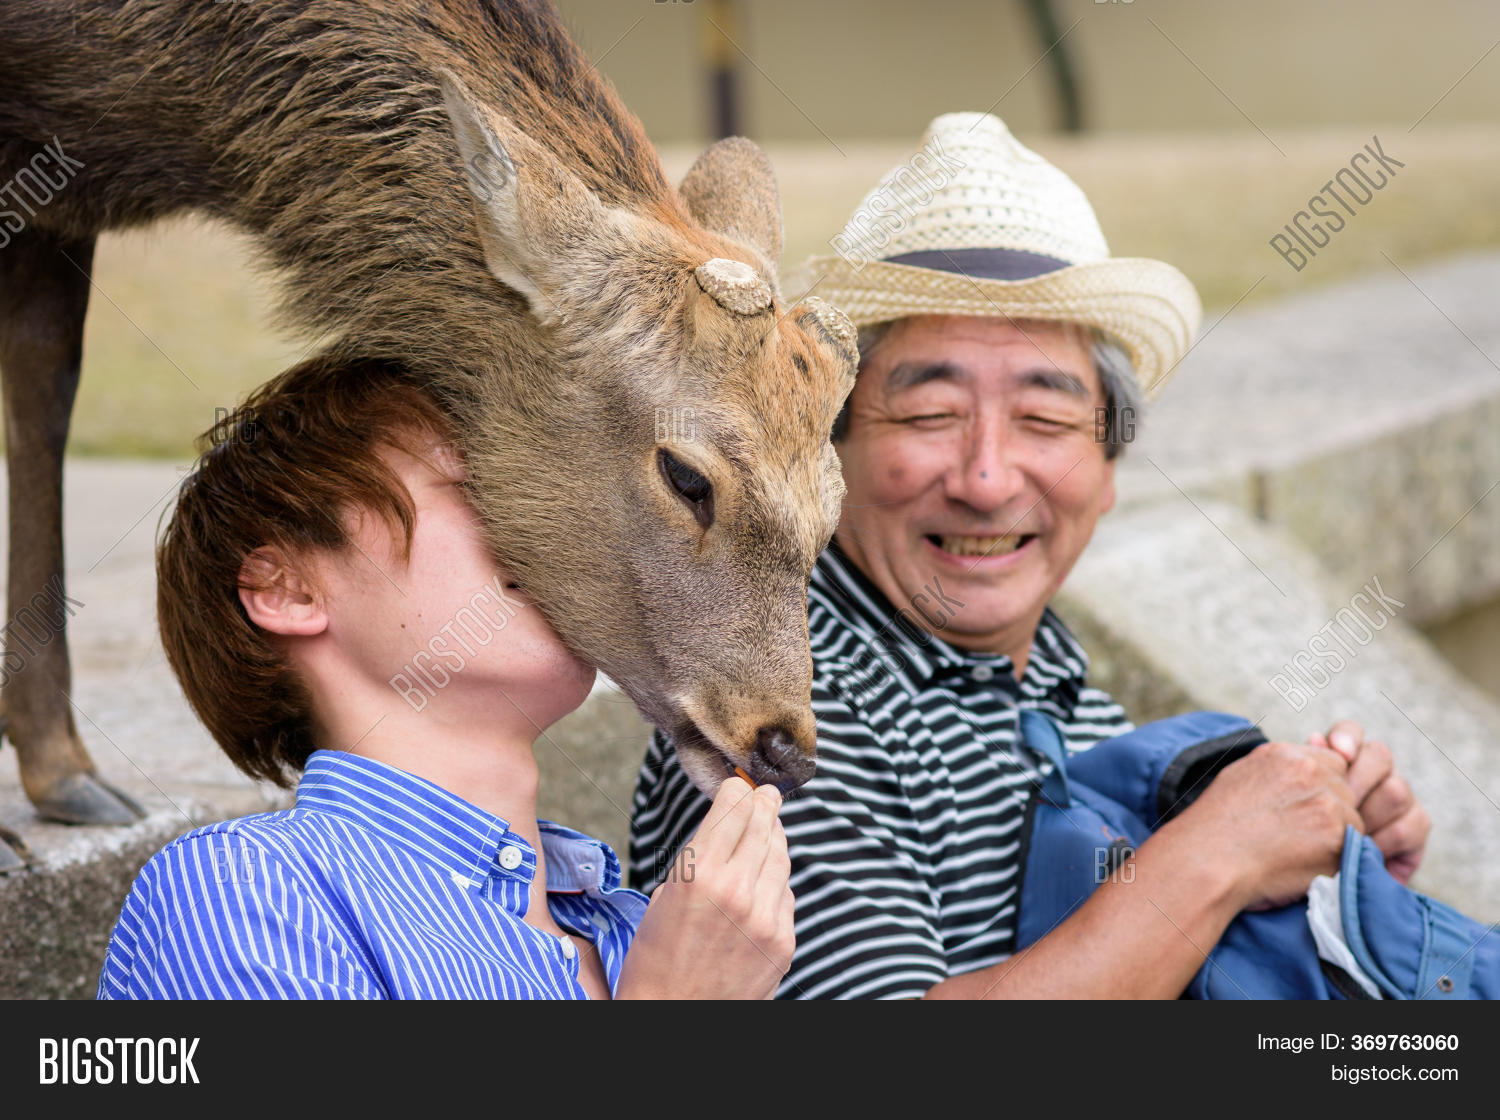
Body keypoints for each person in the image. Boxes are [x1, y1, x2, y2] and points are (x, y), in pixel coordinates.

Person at [630, 112, 1431, 999]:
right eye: (931, 414)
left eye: (1045, 420)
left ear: (1107, 471)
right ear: (828, 450)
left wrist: (1333, 884)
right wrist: (1222, 853)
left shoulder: (1076, 704)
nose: (985, 476)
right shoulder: (783, 717)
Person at [98, 355, 793, 999]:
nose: (555, 531)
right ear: (288, 591)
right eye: (481, 485)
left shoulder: (645, 928)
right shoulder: (245, 890)